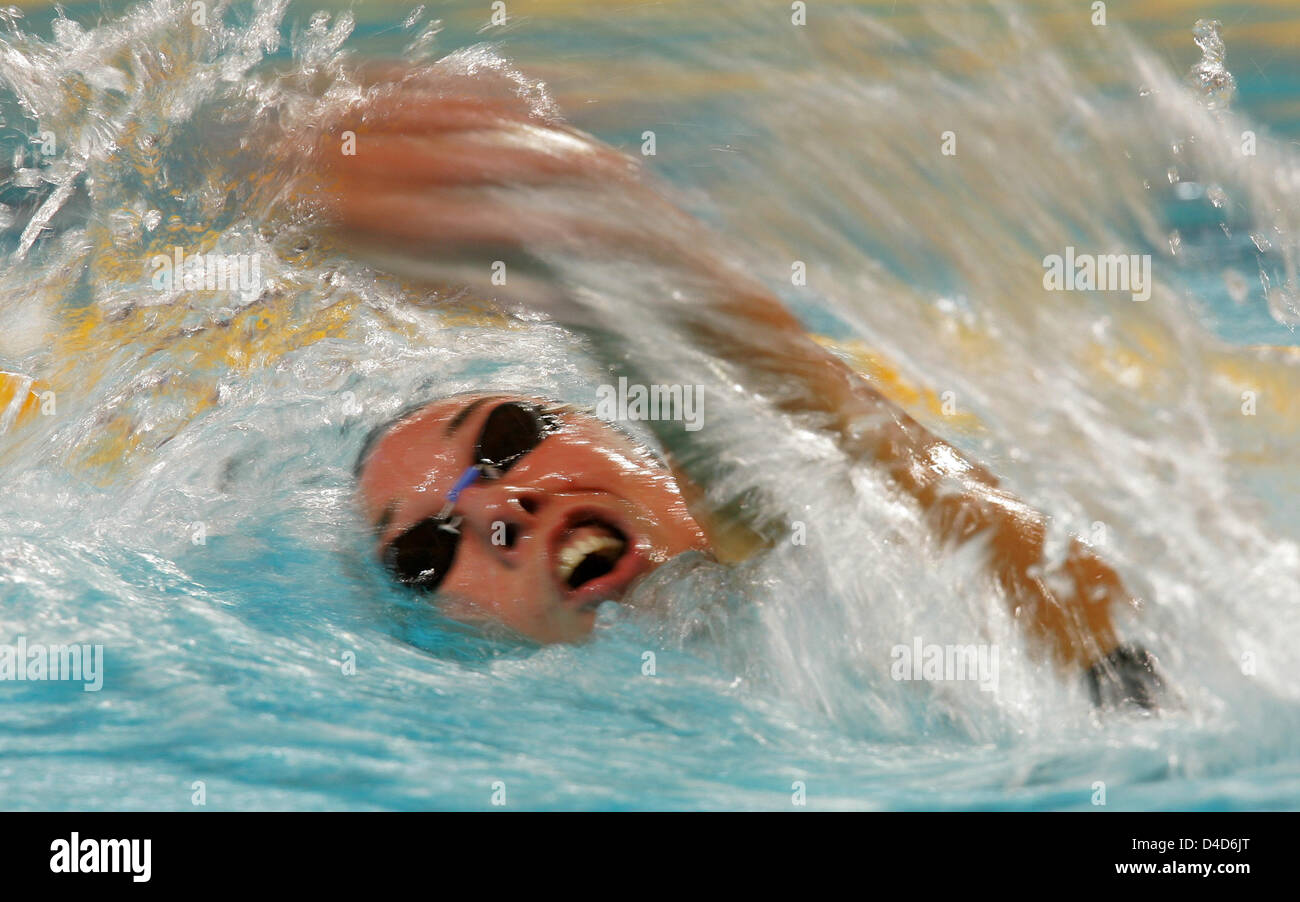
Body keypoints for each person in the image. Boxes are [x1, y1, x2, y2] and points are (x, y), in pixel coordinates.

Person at [287, 59, 1164, 710]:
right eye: (427, 555)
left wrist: (617, 278)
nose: (496, 509)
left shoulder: (848, 584)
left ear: (629, 439)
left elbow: (1095, 632)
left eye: (507, 442)